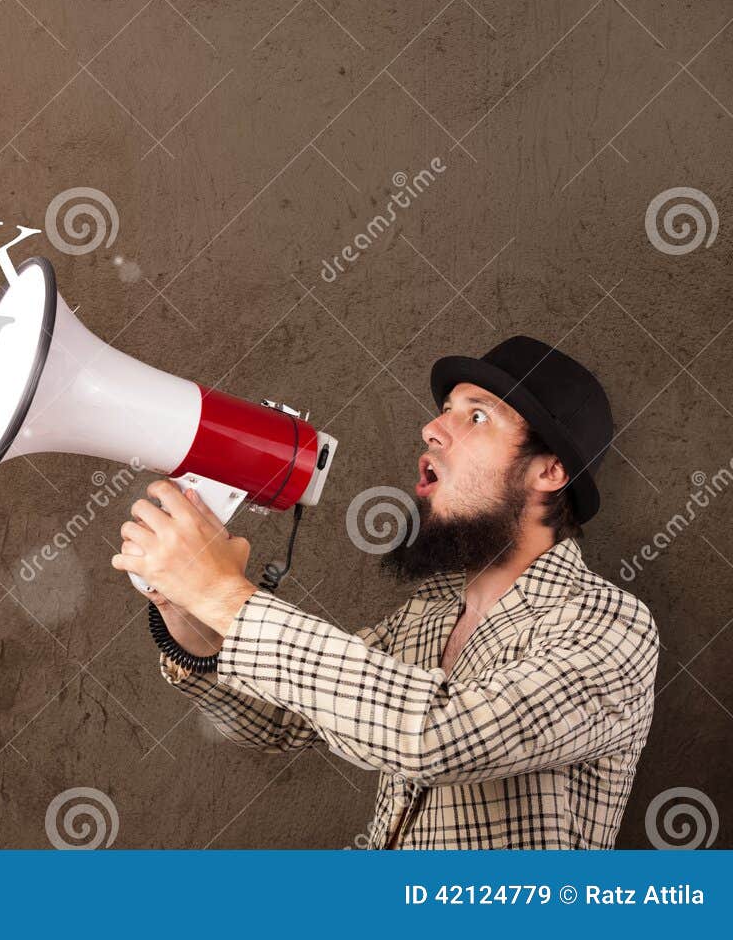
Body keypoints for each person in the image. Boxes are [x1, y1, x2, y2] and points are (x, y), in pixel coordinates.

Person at [114, 336, 659, 848]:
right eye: (444, 409)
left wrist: (223, 595)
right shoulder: (423, 617)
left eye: (475, 415)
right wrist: (183, 607)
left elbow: (439, 736)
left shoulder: (610, 625)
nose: (432, 428)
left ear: (550, 471)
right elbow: (281, 719)